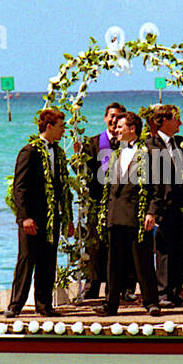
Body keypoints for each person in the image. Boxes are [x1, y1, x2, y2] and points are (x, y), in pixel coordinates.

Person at [7, 108, 72, 318]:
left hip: (52, 217)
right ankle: (15, 305)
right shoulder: (29, 151)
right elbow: (20, 187)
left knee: (48, 261)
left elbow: (64, 189)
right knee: (26, 259)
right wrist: (24, 216)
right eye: (62, 126)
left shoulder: (59, 153)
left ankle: (44, 304)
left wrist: (68, 219)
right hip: (32, 217)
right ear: (50, 127)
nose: (64, 131)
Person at [100, 111, 161, 316]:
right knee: (113, 262)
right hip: (115, 214)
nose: (116, 130)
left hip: (138, 214)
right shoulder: (116, 152)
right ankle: (111, 303)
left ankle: (151, 302)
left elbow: (156, 187)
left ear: (132, 129)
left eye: (120, 127)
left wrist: (152, 212)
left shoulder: (149, 153)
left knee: (142, 260)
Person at [80, 102, 126, 300]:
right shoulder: (92, 143)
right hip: (97, 201)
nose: (114, 120)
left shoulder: (128, 143)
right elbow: (82, 173)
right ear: (105, 118)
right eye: (111, 116)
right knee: (94, 245)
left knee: (119, 246)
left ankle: (120, 288)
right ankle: (92, 286)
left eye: (118, 117)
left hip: (121, 203)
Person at [149, 103, 183, 307]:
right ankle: (162, 292)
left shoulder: (182, 143)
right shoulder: (151, 145)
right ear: (164, 121)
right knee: (163, 250)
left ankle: (175, 290)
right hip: (163, 205)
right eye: (176, 119)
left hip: (182, 206)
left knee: (182, 249)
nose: (180, 123)